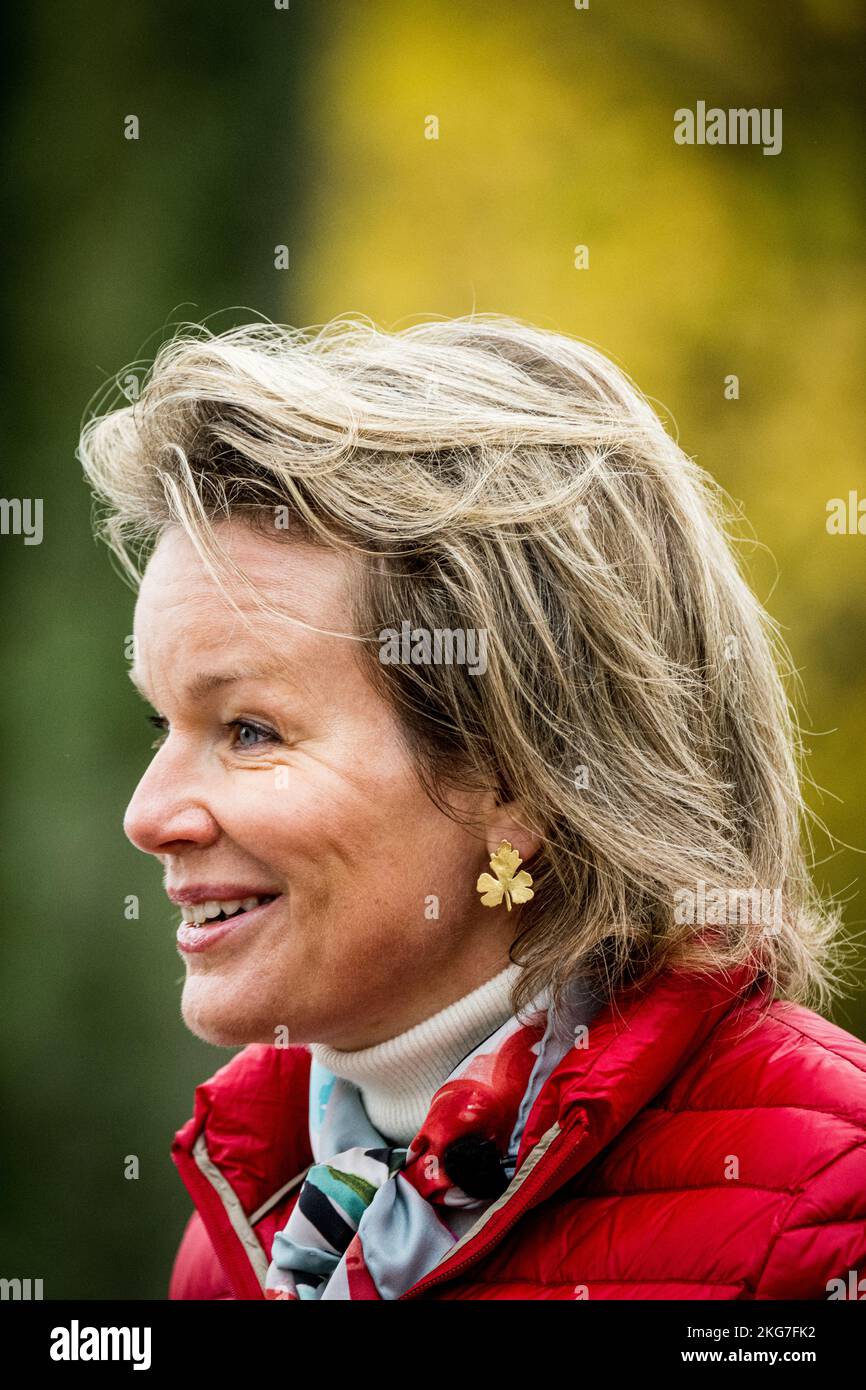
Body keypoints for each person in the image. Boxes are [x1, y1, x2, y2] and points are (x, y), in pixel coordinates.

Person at [78, 313, 866, 1300]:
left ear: (514, 775)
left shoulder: (828, 1218)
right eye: (163, 725)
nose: (150, 815)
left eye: (248, 730)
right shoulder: (248, 1220)